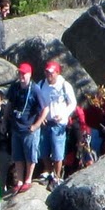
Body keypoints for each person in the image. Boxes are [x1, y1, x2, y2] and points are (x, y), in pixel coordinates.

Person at [31, 59, 77, 188]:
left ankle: (57, 176)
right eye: (47, 72)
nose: (48, 75)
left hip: (58, 123)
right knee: (43, 150)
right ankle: (48, 171)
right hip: (45, 122)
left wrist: (63, 115)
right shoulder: (41, 84)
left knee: (57, 151)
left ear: (57, 72)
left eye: (51, 73)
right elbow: (37, 101)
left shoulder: (64, 85)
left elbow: (72, 103)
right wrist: (41, 115)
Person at [7, 63, 40, 193]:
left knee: (30, 156)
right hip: (16, 127)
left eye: (24, 73)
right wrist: (5, 122)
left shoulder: (35, 89)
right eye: (20, 73)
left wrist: (36, 125)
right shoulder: (14, 87)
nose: (21, 76)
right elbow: (9, 105)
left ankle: (28, 180)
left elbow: (45, 109)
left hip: (29, 129)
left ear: (29, 74)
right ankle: (19, 180)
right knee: (18, 156)